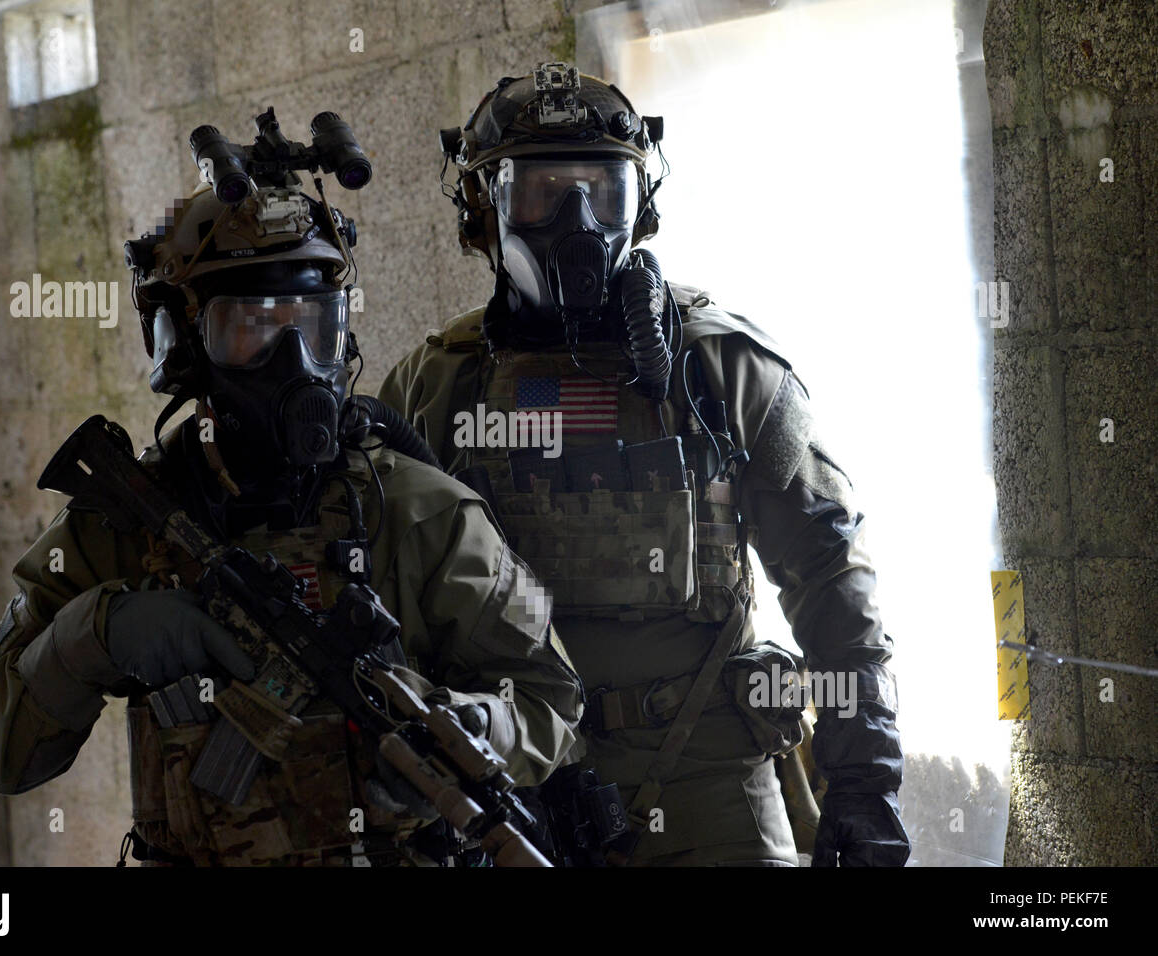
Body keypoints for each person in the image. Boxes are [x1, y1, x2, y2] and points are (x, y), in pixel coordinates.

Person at [0, 109, 583, 867]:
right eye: (251, 325)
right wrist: (93, 635)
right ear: (186, 343)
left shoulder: (418, 513)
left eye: (313, 326)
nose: (294, 359)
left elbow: (548, 702)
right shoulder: (120, 524)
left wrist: (469, 728)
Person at [378, 64, 909, 866]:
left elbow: (831, 566)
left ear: (643, 203)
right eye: (542, 192)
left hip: (708, 775)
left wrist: (864, 784)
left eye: (603, 190)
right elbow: (386, 594)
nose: (577, 221)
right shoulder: (435, 383)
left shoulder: (719, 364)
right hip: (513, 785)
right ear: (484, 210)